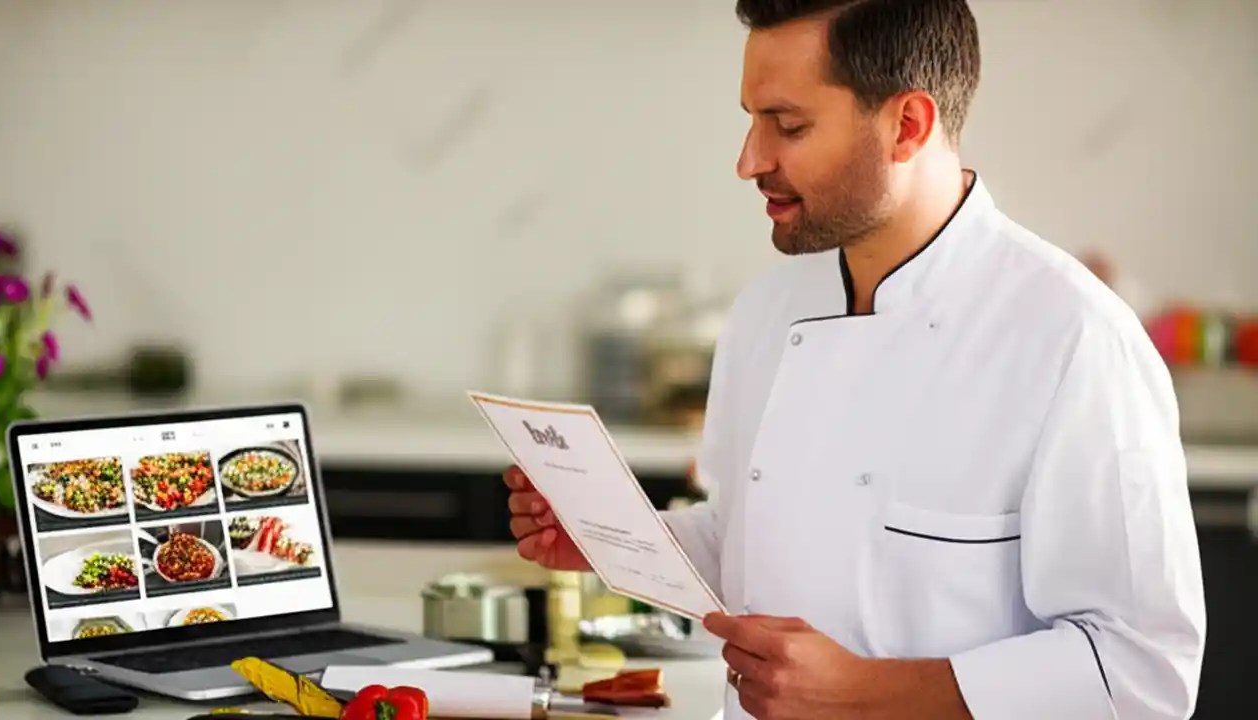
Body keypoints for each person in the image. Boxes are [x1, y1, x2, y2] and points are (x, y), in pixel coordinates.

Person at [504, 0, 1206, 717]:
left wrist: (860, 695)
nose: (750, 160)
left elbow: (1142, 669)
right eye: (752, 119)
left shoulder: (1073, 336)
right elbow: (746, 537)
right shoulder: (767, 311)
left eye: (789, 125)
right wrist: (613, 538)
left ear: (908, 125)